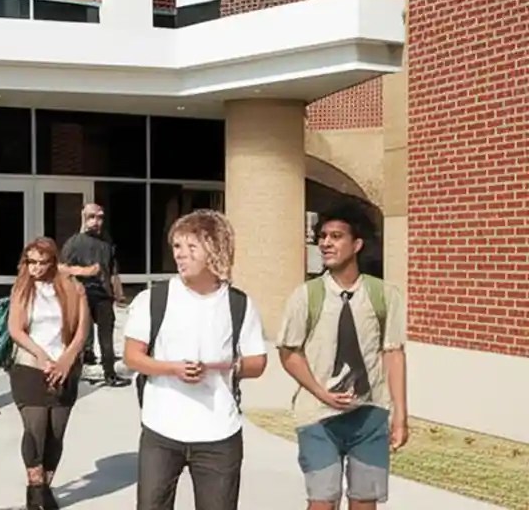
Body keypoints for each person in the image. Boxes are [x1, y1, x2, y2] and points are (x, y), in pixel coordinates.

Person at [123, 210, 267, 510]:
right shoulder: (154, 299)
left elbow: (258, 362)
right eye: (177, 247)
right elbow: (132, 356)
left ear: (215, 251)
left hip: (219, 432)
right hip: (161, 429)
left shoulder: (239, 304)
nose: (181, 255)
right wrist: (172, 368)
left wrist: (224, 366)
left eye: (191, 247)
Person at [276, 204, 408, 510]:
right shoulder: (306, 296)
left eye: (336, 236)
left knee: (364, 501)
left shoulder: (384, 295)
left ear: (357, 244)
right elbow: (289, 353)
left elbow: (393, 354)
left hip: (370, 415)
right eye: (322, 236)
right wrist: (321, 392)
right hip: (318, 417)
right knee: (322, 501)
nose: (326, 243)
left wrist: (400, 414)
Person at [6, 237, 90, 510]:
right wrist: (41, 355)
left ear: (53, 262)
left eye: (43, 262)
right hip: (30, 367)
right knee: (36, 430)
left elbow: (82, 332)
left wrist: (66, 360)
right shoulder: (21, 289)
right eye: (32, 262)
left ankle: (44, 487)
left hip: (65, 367)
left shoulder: (71, 288)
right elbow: (16, 329)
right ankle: (36, 489)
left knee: (56, 434)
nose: (37, 268)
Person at [59, 203, 130, 387]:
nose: (96, 221)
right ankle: (75, 370)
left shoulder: (106, 242)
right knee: (80, 335)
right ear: (83, 217)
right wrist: (85, 271)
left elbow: (113, 270)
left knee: (106, 336)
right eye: (91, 216)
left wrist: (119, 293)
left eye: (99, 217)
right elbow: (61, 268)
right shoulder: (74, 242)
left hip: (104, 295)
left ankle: (110, 374)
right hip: (81, 295)